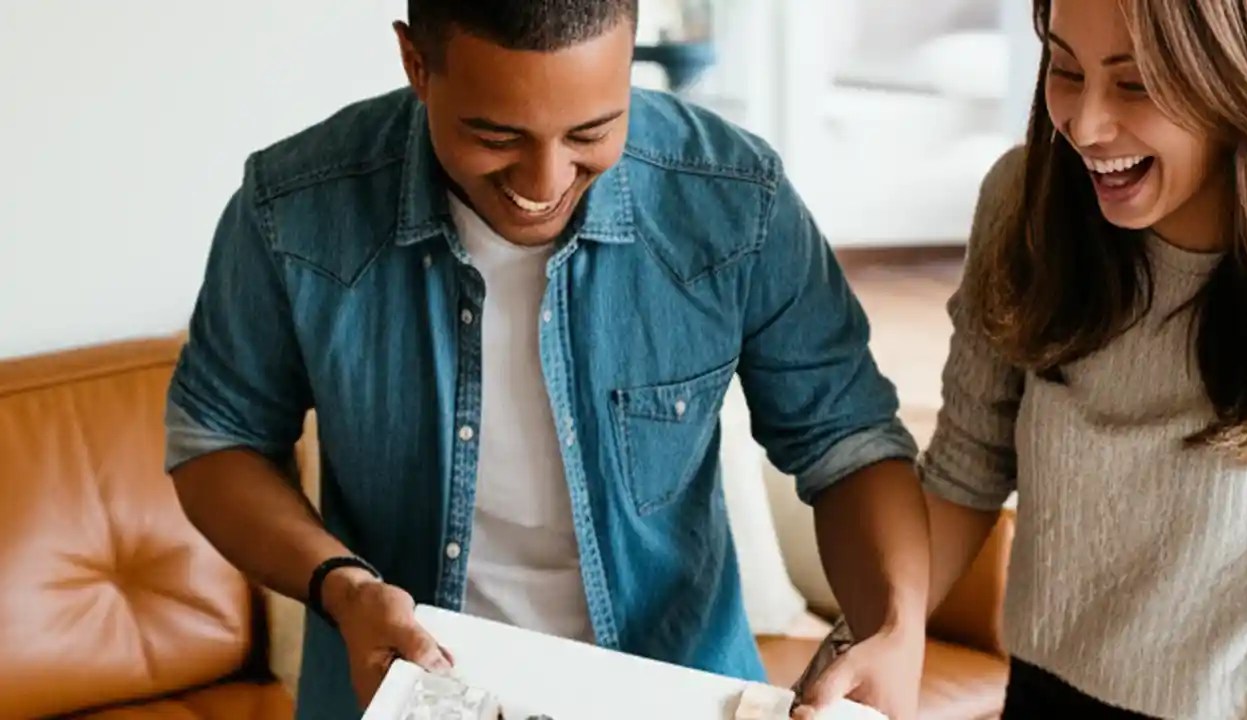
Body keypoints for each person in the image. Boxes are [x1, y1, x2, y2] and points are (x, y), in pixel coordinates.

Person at [164, 2, 932, 718]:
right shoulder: (293, 208)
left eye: (592, 132)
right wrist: (342, 587)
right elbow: (215, 443)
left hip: (677, 697)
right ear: (415, 63)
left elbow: (849, 444)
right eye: (496, 137)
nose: (545, 183)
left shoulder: (735, 199)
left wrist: (893, 628)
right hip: (405, 699)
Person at [916, 0, 1247, 717]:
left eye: (1135, 83)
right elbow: (965, 467)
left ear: (1237, 76)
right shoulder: (1024, 208)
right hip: (1043, 696)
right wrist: (878, 637)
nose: (1083, 125)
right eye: (1064, 68)